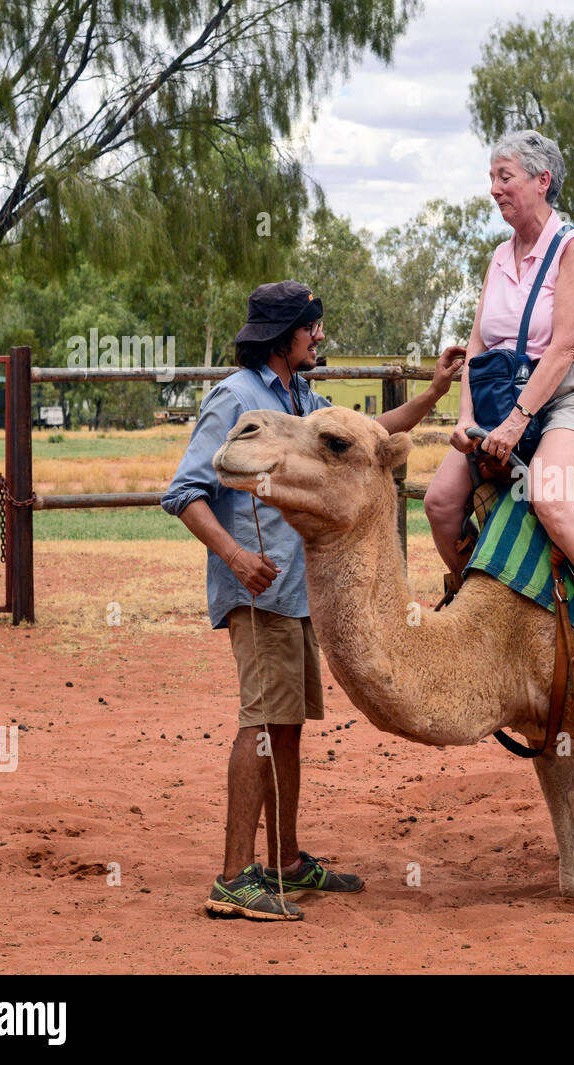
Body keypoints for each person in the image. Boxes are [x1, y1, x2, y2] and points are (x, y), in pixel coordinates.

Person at [162, 280, 460, 920]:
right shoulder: (236, 400)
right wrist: (237, 558)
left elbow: (372, 434)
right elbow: (184, 490)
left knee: (287, 727)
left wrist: (436, 393)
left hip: (297, 592)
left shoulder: (299, 403)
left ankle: (285, 862)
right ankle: (235, 877)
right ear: (285, 335)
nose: (319, 336)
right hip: (259, 591)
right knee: (262, 721)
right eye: (312, 327)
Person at [423, 130, 574, 668]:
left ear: (543, 181)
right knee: (440, 501)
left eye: (506, 177)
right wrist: (470, 418)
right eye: (492, 178)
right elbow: (479, 344)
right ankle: (471, 599)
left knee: (548, 493)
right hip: (510, 395)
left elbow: (565, 346)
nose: (495, 189)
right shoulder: (500, 255)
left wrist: (516, 422)